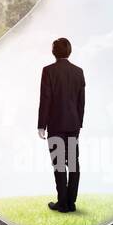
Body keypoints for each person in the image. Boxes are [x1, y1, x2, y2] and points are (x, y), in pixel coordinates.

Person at [37, 37, 84, 213]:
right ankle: (71, 202)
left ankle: (62, 202)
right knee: (73, 163)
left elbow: (45, 99)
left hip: (56, 125)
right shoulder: (78, 72)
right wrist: (79, 124)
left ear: (53, 52)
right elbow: (81, 102)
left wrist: (41, 125)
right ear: (69, 51)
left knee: (58, 164)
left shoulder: (48, 71)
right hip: (73, 125)